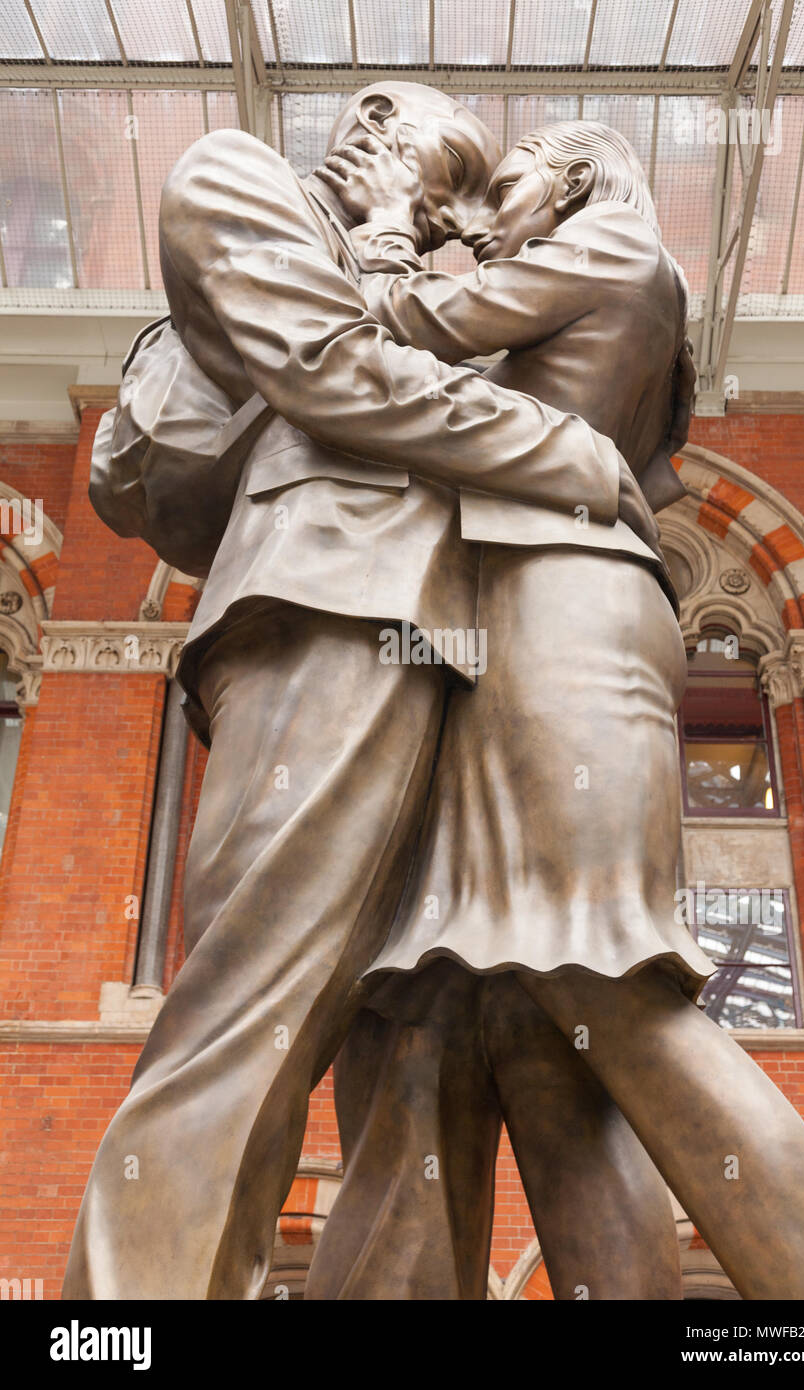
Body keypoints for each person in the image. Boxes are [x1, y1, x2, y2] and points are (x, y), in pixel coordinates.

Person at [64, 88, 657, 1302]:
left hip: (457, 662)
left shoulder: (444, 303)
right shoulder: (241, 182)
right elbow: (300, 392)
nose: (374, 133)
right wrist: (573, 459)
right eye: (378, 118)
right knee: (247, 1011)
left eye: (426, 160)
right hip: (330, 617)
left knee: (416, 1052)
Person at [308, 121, 804, 1301]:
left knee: (597, 972)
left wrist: (388, 230)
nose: (489, 213)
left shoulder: (612, 243)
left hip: (556, 615)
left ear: (565, 178)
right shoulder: (571, 286)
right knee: (483, 1014)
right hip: (497, 630)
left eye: (506, 187)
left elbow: (399, 340)